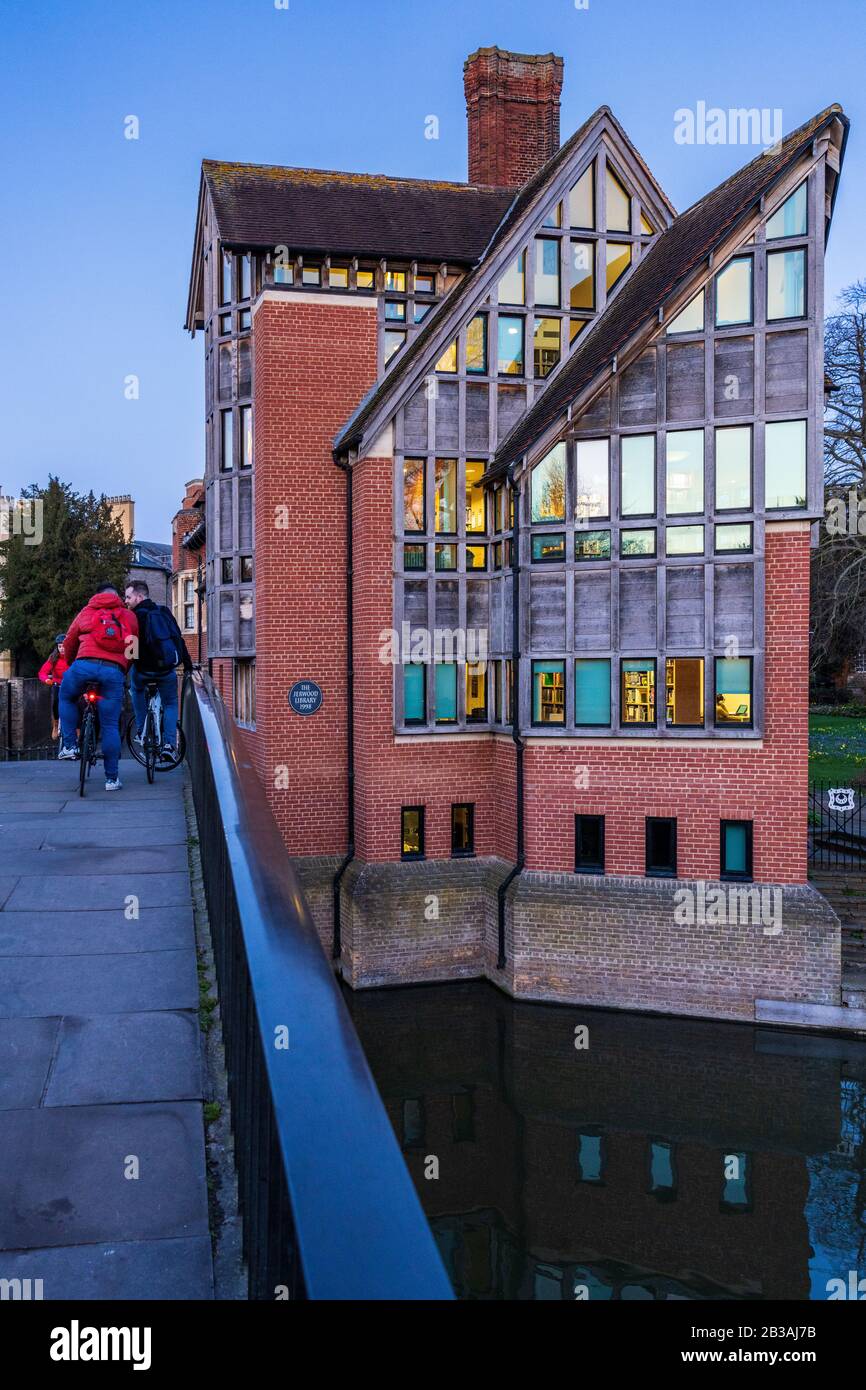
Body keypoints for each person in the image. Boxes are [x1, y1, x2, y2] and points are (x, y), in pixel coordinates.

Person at [58, 586, 139, 791]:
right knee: (110, 725)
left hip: (83, 665)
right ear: (117, 597)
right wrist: (123, 669)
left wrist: (72, 664)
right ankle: (111, 779)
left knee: (66, 697)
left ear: (97, 595)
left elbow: (69, 642)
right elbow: (133, 648)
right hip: (113, 672)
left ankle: (69, 745)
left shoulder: (86, 611)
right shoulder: (128, 616)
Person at [124, 580, 192, 756]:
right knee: (170, 703)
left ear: (139, 596)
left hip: (143, 671)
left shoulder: (132, 617)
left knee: (136, 690)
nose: (126, 601)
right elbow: (178, 638)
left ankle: (141, 732)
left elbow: (130, 652)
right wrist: (188, 666)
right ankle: (169, 745)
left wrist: (124, 673)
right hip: (164, 670)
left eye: (129, 597)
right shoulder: (163, 612)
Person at [38, 632, 69, 740]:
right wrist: (46, 679)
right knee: (56, 702)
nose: (62, 649)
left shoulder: (73, 657)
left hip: (71, 684)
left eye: (64, 646)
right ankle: (55, 724)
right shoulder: (53, 658)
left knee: (78, 704)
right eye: (59, 646)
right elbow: (42, 672)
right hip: (58, 684)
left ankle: (77, 729)